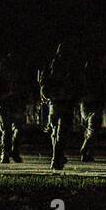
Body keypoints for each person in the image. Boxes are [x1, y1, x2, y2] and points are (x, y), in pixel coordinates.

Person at [38, 41, 82, 171]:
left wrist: (47, 97)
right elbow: (78, 84)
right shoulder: (71, 67)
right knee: (61, 133)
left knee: (55, 131)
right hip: (65, 103)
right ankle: (56, 159)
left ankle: (57, 157)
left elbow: (43, 84)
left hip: (55, 103)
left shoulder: (52, 65)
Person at [0, 52, 28, 164]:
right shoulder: (0, 74)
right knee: (6, 130)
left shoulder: (20, 73)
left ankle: (13, 151)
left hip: (16, 103)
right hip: (4, 103)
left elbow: (25, 87)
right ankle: (5, 153)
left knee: (18, 129)